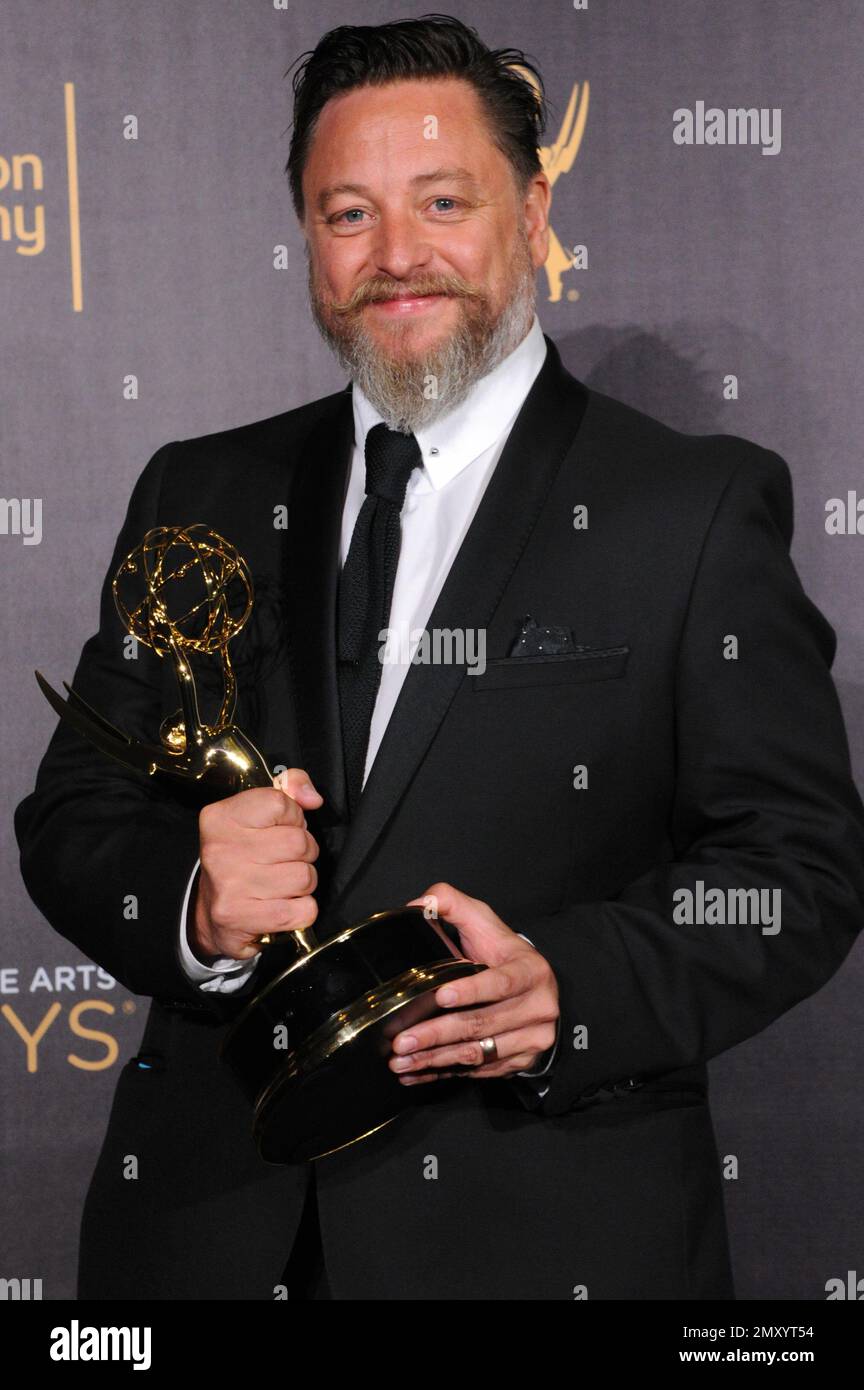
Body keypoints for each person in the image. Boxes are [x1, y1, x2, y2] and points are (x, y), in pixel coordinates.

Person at [15, 15, 864, 1301]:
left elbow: (797, 867)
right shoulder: (202, 486)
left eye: (444, 200)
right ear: (305, 234)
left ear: (531, 212)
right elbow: (75, 811)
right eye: (348, 212)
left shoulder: (687, 507)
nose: (398, 256)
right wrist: (190, 898)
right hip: (203, 1235)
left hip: (543, 1238)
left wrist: (570, 984)